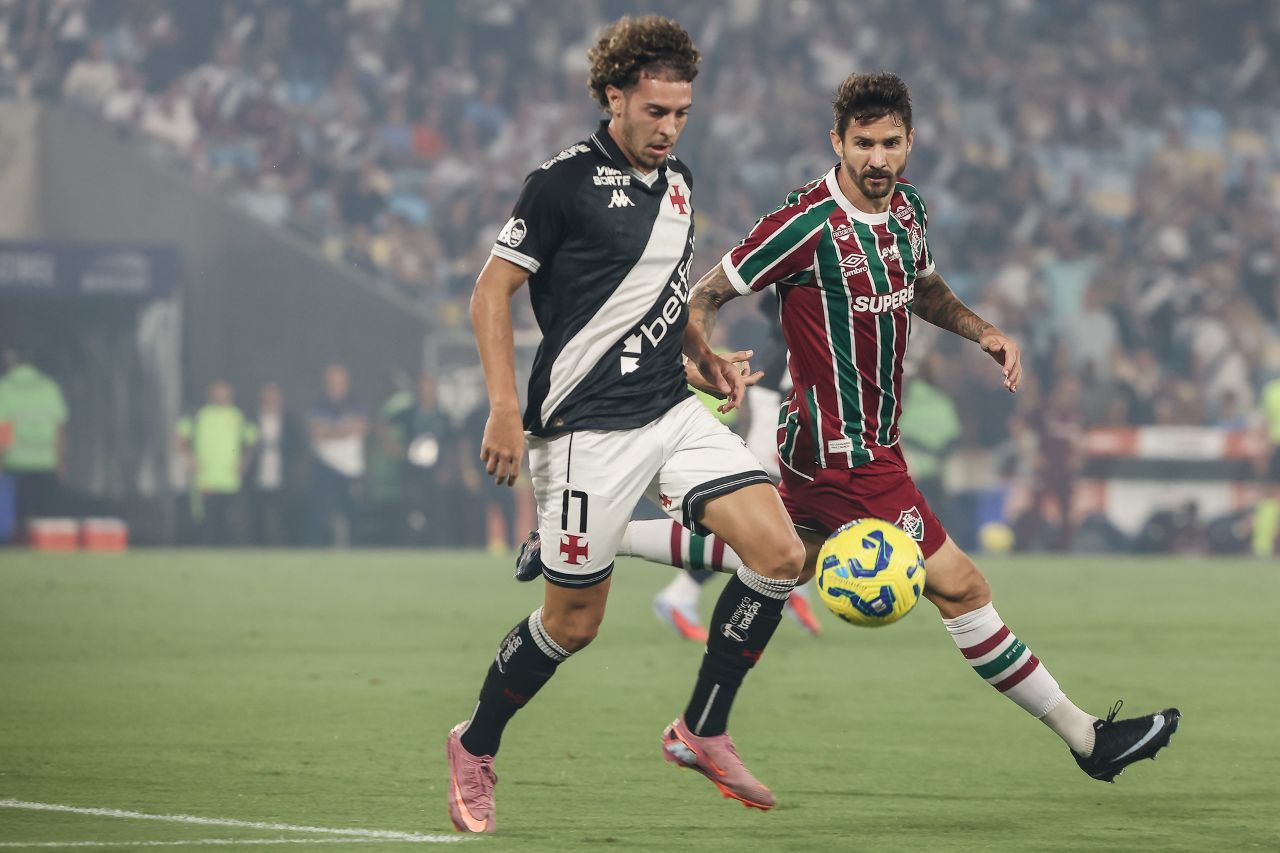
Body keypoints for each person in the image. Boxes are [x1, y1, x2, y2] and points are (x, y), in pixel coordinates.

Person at [583, 72, 1180, 784]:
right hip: (845, 456)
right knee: (960, 585)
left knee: (785, 559)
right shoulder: (805, 222)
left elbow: (923, 287)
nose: (877, 158)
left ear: (910, 143)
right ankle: (1088, 740)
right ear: (837, 142)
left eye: (890, 143)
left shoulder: (909, 212)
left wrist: (982, 331)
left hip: (852, 443)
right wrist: (702, 356)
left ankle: (597, 539)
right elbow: (705, 293)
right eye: (862, 143)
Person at [446, 16, 806, 833]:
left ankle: (702, 727)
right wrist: (505, 408)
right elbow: (488, 291)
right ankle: (474, 742)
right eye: (655, 113)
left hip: (667, 411)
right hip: (581, 431)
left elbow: (657, 297)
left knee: (783, 551)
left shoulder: (679, 183)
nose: (669, 128)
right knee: (574, 625)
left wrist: (700, 357)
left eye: (682, 113)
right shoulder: (562, 182)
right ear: (614, 97)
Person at [176, 379, 257, 545]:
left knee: (228, 520)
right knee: (206, 521)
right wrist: (190, 461)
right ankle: (204, 553)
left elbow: (252, 440)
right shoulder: (199, 414)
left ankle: (226, 555)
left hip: (229, 478)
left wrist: (243, 462)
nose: (221, 396)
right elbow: (180, 436)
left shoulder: (238, 415)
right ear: (211, 393)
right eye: (218, 392)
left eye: (224, 392)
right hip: (205, 478)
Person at [0, 349, 68, 528]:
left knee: (16, 523)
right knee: (44, 523)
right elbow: (59, 428)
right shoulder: (49, 387)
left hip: (14, 465)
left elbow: (3, 429)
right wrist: (60, 461)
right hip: (46, 464)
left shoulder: (5, 388)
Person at [307, 363, 368, 547]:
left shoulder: (356, 405)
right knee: (320, 513)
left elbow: (361, 427)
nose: (335, 386)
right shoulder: (318, 406)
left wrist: (330, 431)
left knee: (353, 513)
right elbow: (316, 432)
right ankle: (316, 551)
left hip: (350, 469)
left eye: (339, 381)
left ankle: (357, 552)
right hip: (325, 465)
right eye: (332, 382)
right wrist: (344, 429)